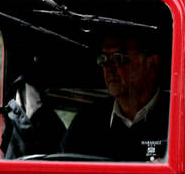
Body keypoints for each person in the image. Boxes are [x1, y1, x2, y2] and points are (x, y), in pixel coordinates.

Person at [61, 30, 169, 163]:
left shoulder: (183, 118)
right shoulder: (87, 120)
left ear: (152, 64)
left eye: (118, 58)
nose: (108, 67)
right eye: (104, 58)